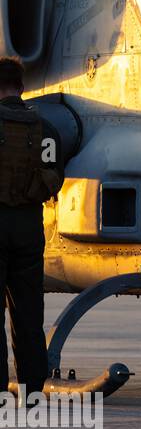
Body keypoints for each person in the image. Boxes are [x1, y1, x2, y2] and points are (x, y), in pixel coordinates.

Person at [0, 57, 63, 401]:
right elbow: (55, 179)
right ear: (22, 88)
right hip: (28, 227)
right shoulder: (45, 130)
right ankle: (33, 390)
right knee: (28, 313)